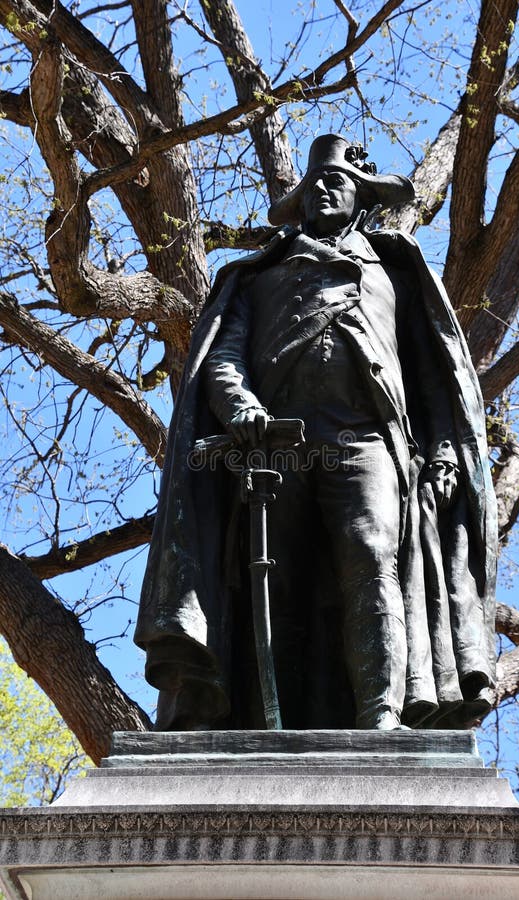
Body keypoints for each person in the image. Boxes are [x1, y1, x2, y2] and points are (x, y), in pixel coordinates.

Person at [135, 134, 497, 731]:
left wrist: (442, 451)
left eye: (338, 181)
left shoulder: (396, 272)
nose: (324, 189)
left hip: (368, 442)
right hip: (277, 448)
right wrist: (242, 409)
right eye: (313, 184)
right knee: (275, 578)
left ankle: (381, 716)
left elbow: (434, 376)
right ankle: (262, 726)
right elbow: (224, 357)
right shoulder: (256, 277)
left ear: (362, 198)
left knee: (372, 556)